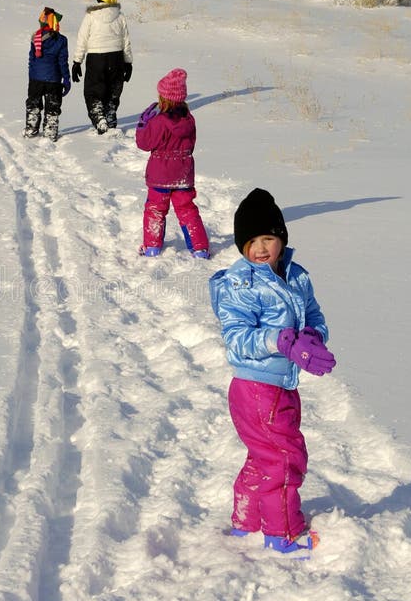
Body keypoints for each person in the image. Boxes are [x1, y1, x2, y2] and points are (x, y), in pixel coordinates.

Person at [209, 188, 336, 555]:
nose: (261, 248)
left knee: (264, 454)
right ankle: (283, 533)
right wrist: (280, 341)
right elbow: (237, 339)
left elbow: (314, 315)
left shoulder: (297, 276)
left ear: (281, 237)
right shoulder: (241, 284)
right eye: (251, 242)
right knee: (284, 457)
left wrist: (311, 336)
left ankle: (246, 521)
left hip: (281, 384)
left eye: (267, 238)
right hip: (255, 388)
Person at [136, 68, 210, 259]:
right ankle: (199, 249)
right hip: (183, 174)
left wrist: (143, 124)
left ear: (163, 97)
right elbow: (191, 144)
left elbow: (144, 144)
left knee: (155, 209)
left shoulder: (159, 121)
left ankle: (152, 247)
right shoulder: (189, 119)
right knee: (187, 210)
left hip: (160, 175)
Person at [72, 0, 133, 134]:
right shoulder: (120, 16)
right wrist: (128, 62)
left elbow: (82, 39)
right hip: (116, 58)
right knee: (113, 89)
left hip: (96, 58)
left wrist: (77, 61)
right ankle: (110, 114)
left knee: (93, 90)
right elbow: (125, 40)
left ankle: (99, 117)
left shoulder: (90, 16)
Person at [25, 6, 70, 143]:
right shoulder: (61, 40)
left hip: (36, 78)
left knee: (33, 104)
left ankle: (31, 128)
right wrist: (66, 79)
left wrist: (32, 76)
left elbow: (32, 59)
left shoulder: (35, 37)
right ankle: (50, 131)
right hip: (54, 79)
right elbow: (63, 61)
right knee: (52, 106)